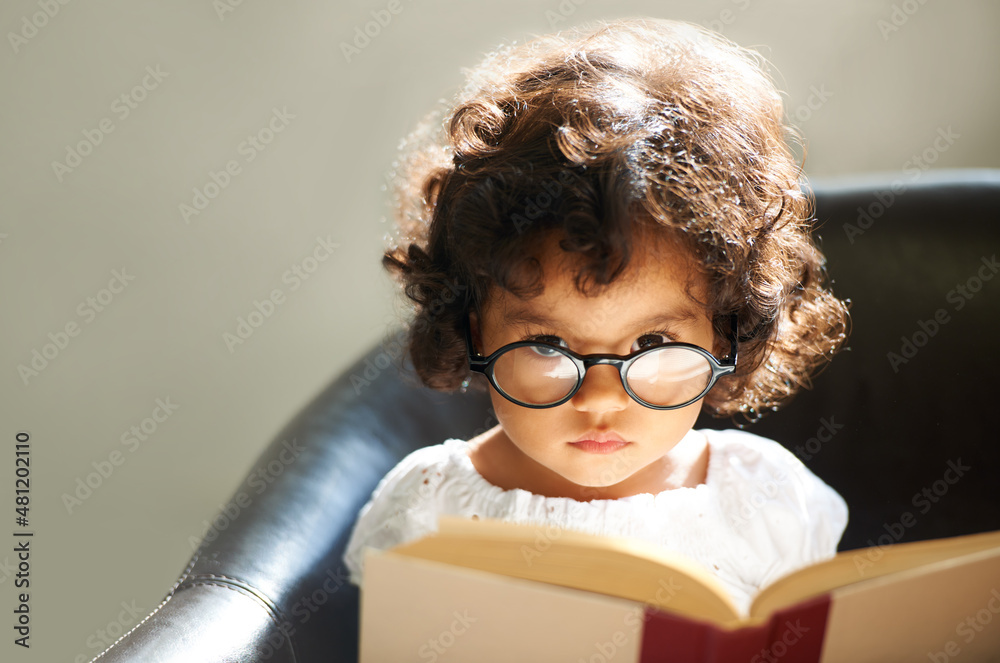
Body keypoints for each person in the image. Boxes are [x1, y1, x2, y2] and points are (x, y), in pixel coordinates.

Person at [343, 16, 850, 613]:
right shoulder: (429, 507)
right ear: (473, 326)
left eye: (653, 342)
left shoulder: (767, 500)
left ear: (724, 333)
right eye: (549, 345)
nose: (602, 399)